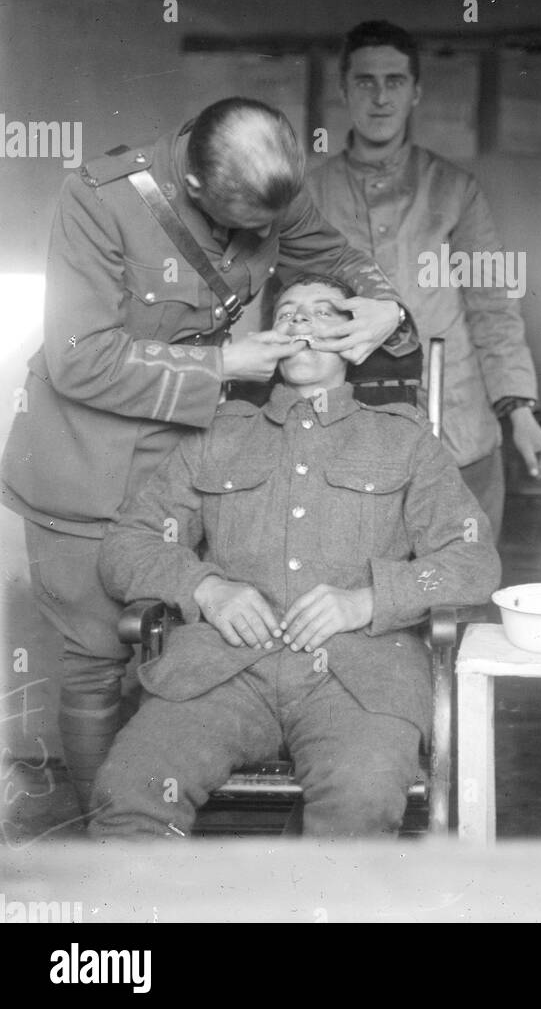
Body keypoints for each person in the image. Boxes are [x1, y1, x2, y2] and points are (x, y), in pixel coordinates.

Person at [1, 98, 417, 813]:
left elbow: (338, 257)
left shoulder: (265, 181)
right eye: (247, 227)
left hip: (195, 453)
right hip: (85, 461)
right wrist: (226, 362)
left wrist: (384, 303)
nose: (263, 238)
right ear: (195, 188)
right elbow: (79, 361)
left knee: (190, 659)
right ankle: (113, 862)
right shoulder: (100, 199)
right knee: (99, 662)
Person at [88, 274, 500, 839]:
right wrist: (206, 588)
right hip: (220, 670)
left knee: (360, 800)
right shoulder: (215, 436)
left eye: (322, 311)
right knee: (131, 791)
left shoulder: (405, 441)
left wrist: (368, 601)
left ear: (355, 342)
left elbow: (472, 557)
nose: (301, 321)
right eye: (287, 313)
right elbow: (128, 544)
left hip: (360, 676)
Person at [307, 20, 541, 541]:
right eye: (365, 81)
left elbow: (493, 308)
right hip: (340, 431)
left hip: (455, 425)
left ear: (416, 91)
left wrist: (520, 414)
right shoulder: (310, 194)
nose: (380, 97)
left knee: (459, 592)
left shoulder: (455, 190)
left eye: (395, 81)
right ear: (343, 90)